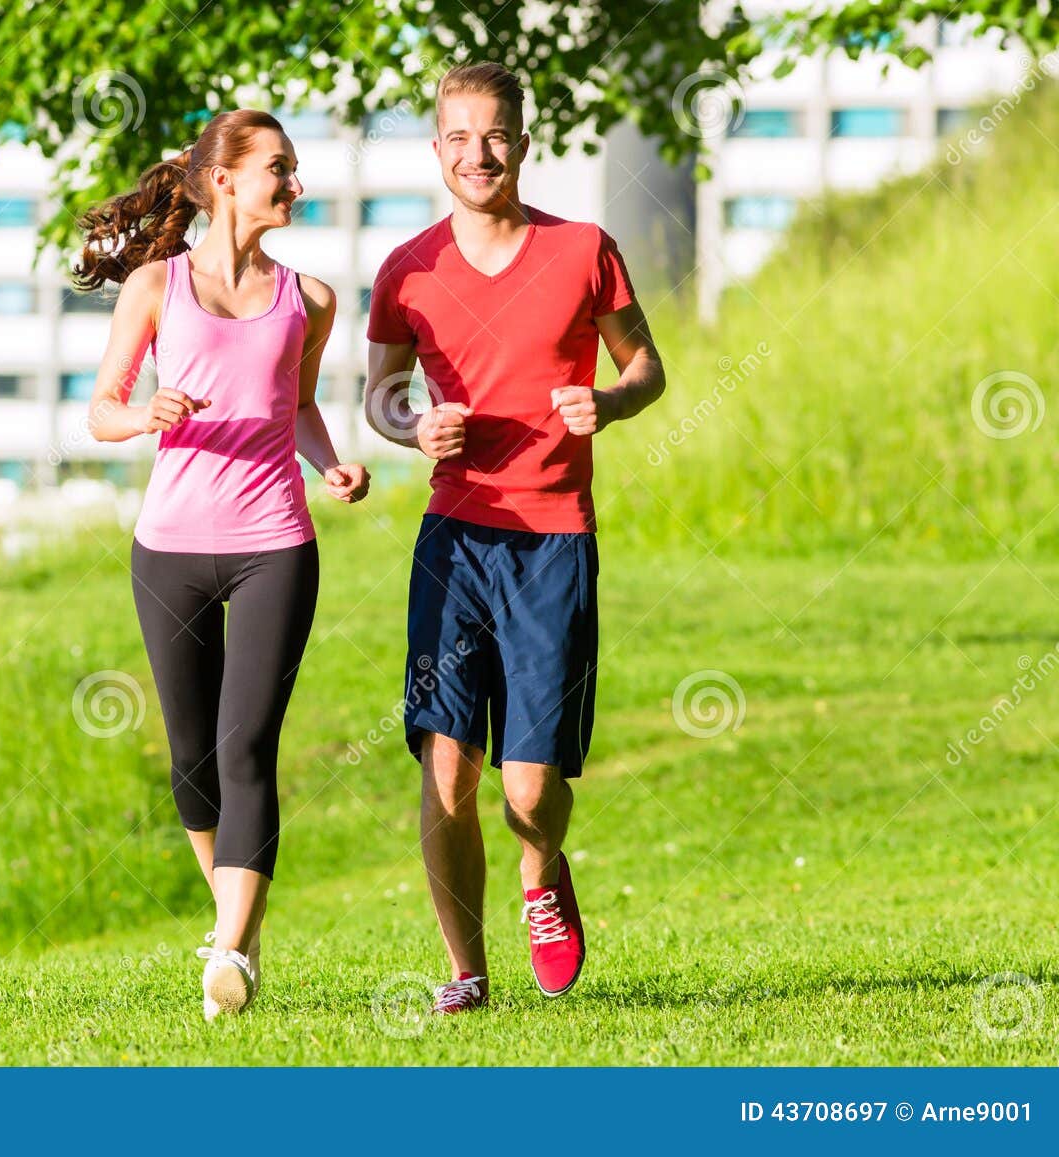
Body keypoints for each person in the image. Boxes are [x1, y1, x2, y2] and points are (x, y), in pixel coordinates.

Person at [364, 63, 666, 1013]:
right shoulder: (406, 269)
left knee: (529, 788)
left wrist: (609, 402)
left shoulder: (583, 249)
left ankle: (543, 874)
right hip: (453, 539)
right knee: (445, 762)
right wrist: (411, 425)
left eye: (494, 135)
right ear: (437, 150)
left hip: (553, 541)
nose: (477, 153)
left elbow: (648, 366)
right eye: (458, 137)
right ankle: (466, 970)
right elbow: (379, 393)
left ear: (524, 143)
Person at [77, 109, 371, 1020]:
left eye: (294, 169)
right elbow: (102, 409)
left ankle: (233, 949)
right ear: (223, 182)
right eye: (279, 170)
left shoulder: (309, 299)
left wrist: (332, 464)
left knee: (247, 744)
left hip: (275, 544)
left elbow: (300, 404)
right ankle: (235, 919)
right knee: (191, 762)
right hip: (168, 548)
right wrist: (148, 413)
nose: (295, 185)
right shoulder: (158, 287)